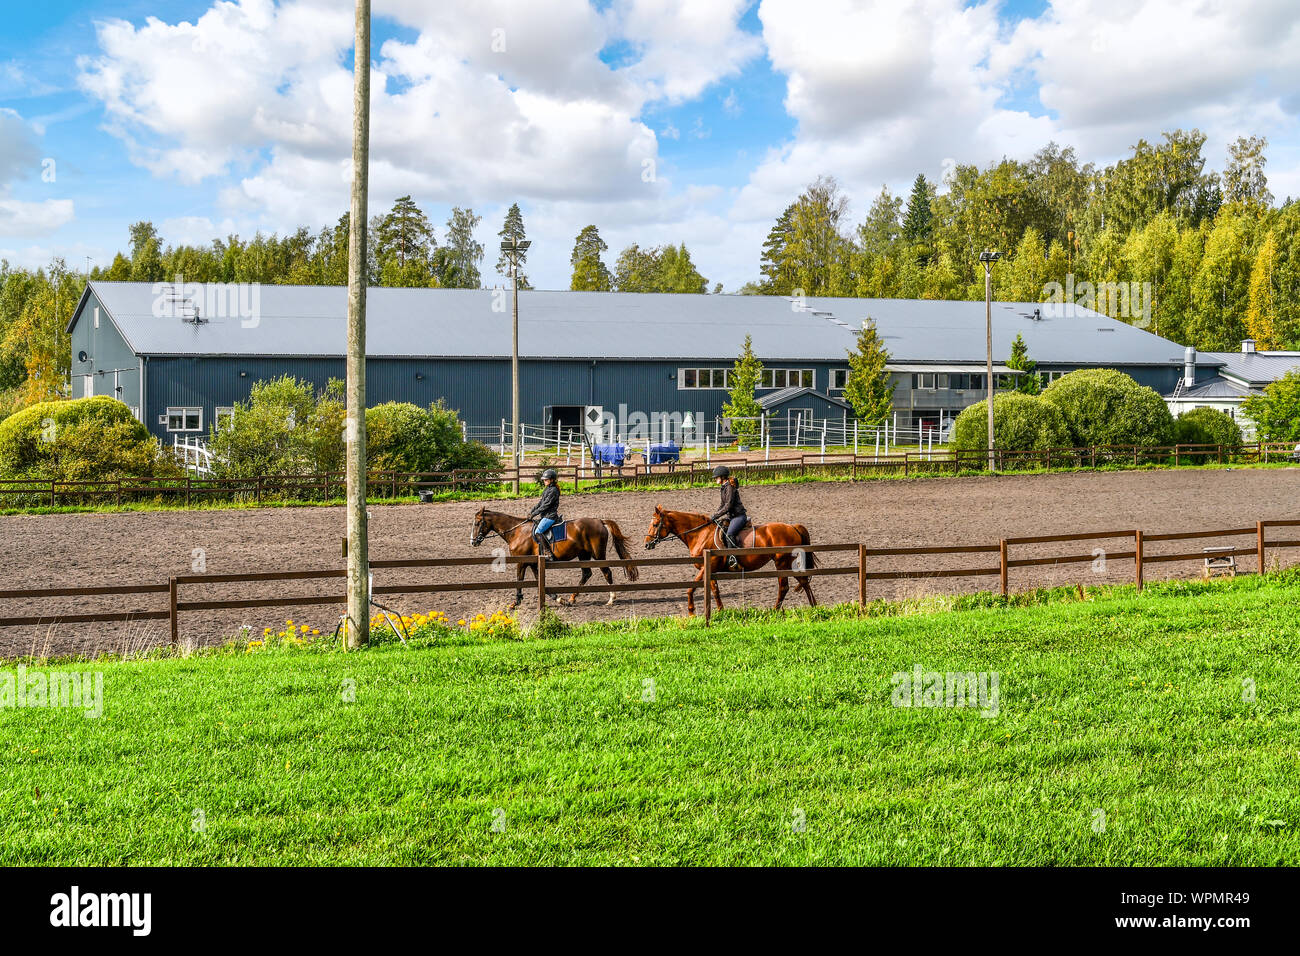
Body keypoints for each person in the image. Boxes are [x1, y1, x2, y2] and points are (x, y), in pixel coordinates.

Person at [710, 464, 747, 571]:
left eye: (716, 477)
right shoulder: (724, 487)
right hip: (731, 517)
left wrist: (717, 515)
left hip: (739, 516)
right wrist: (715, 515)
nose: (715, 479)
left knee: (729, 534)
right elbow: (722, 504)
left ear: (722, 477)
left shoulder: (730, 487)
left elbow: (728, 505)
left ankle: (733, 559)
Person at [529, 468, 561, 558]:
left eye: (546, 480)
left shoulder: (554, 490)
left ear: (552, 480)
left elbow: (546, 505)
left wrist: (534, 514)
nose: (544, 481)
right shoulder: (547, 489)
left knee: (538, 532)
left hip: (550, 516)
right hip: (545, 516)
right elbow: (541, 503)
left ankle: (548, 552)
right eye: (544, 480)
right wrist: (532, 511)